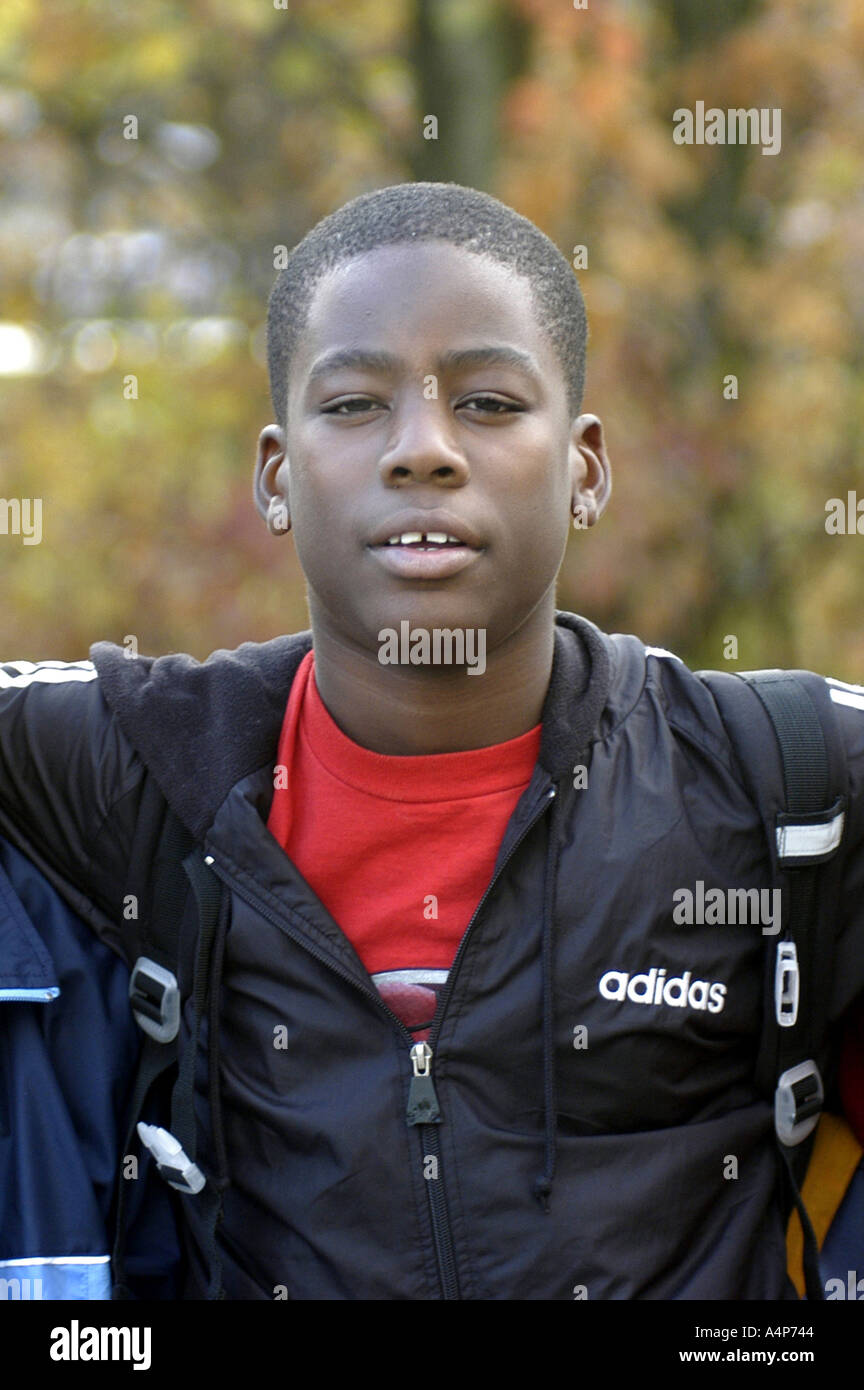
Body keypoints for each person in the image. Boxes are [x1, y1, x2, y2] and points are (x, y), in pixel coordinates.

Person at [0, 181, 862, 1300]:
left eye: (492, 403)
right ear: (276, 475)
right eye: (354, 405)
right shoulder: (145, 766)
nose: (423, 450)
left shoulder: (775, 776)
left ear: (586, 467)